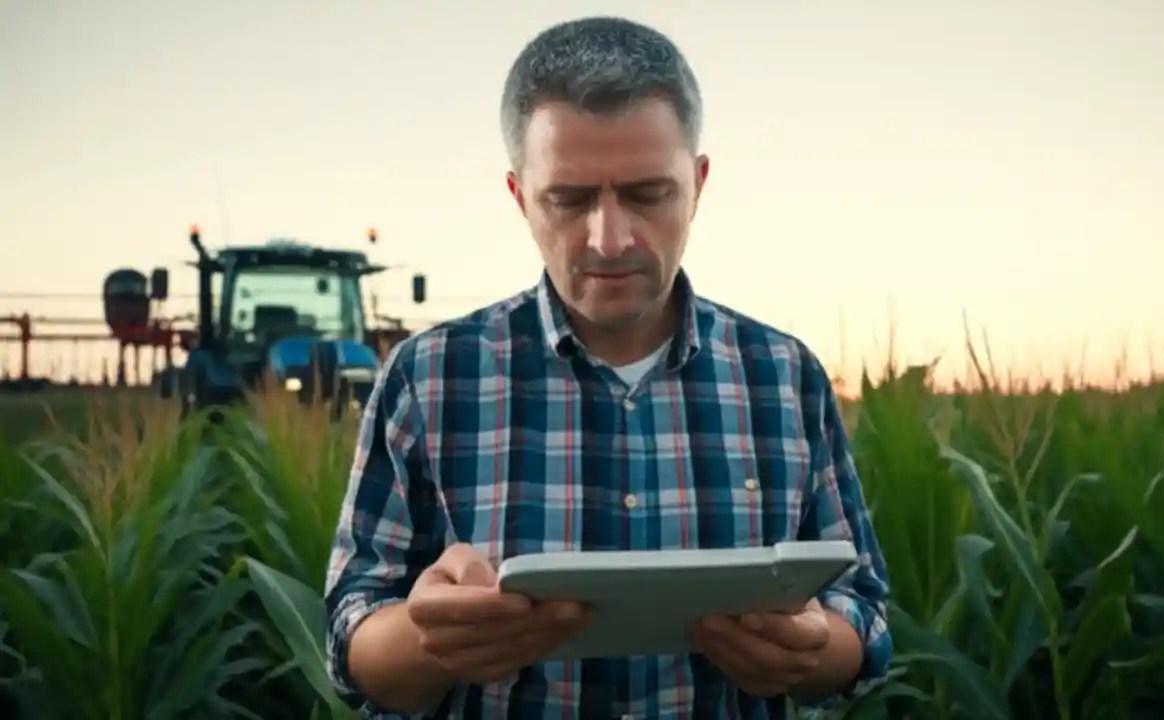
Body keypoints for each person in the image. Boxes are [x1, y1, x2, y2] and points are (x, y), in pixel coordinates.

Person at [323, 15, 891, 719]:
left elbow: (863, 616)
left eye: (649, 195)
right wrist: (430, 636)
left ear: (699, 183)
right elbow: (353, 639)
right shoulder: (427, 377)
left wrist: (812, 648)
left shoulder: (784, 376)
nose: (610, 238)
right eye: (569, 199)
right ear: (519, 196)